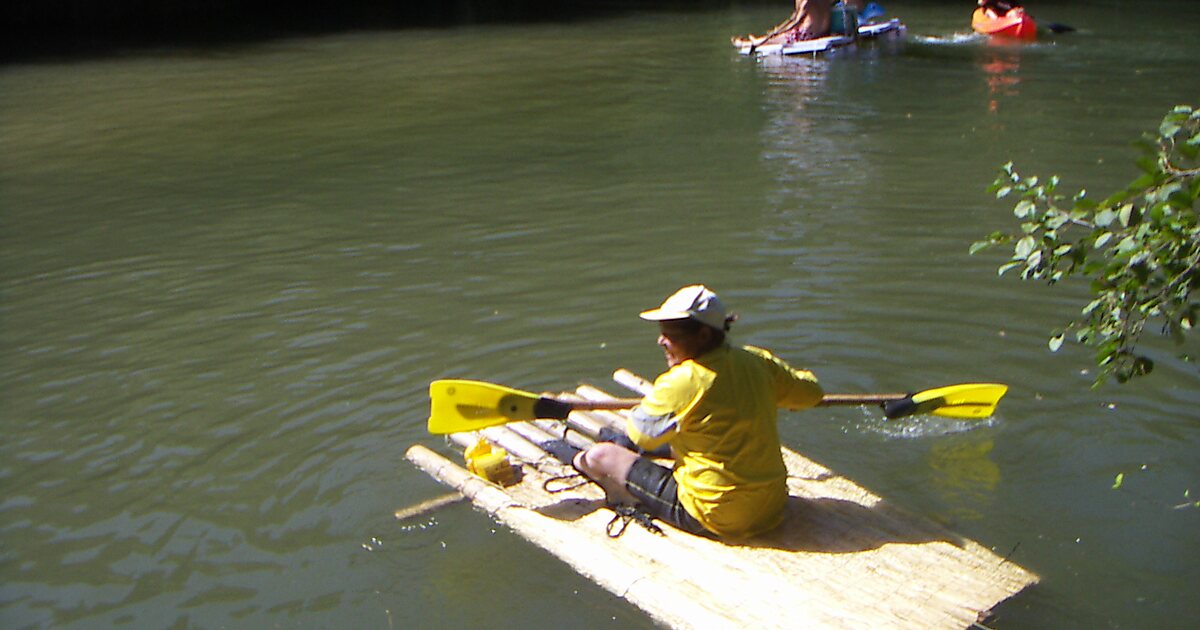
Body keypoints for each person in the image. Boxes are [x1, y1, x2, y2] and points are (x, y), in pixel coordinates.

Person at [571, 285, 824, 539]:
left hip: (714, 516)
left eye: (670, 333)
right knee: (690, 440)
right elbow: (811, 394)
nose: (661, 340)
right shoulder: (757, 361)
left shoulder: (683, 380)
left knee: (601, 455)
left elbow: (641, 437)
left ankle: (618, 492)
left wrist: (657, 401)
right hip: (771, 507)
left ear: (703, 335)